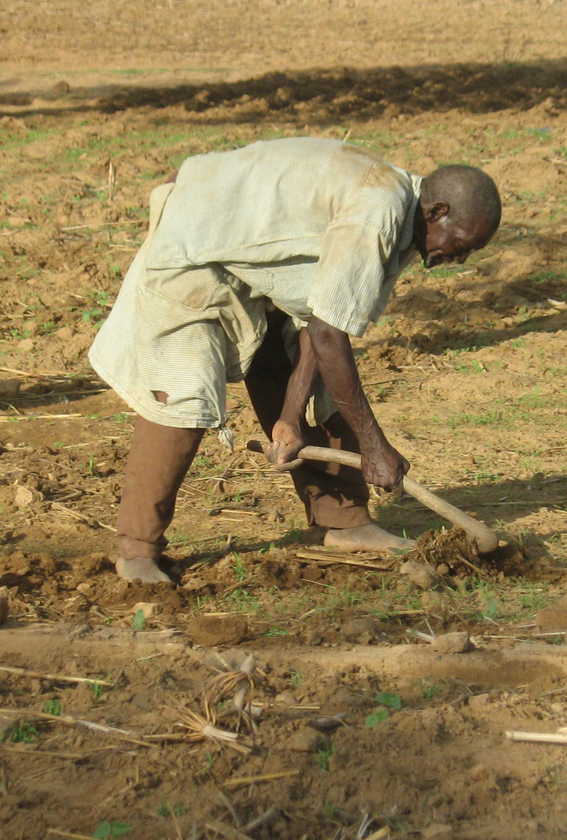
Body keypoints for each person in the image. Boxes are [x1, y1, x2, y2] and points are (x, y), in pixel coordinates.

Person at [89, 137, 501, 583]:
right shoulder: (377, 212)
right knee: (184, 390)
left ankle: (345, 522)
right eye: (460, 244)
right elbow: (328, 335)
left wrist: (289, 416)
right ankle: (137, 549)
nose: (459, 258)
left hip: (246, 260)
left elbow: (318, 319)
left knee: (308, 374)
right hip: (192, 245)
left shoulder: (403, 219)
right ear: (437, 212)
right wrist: (375, 446)